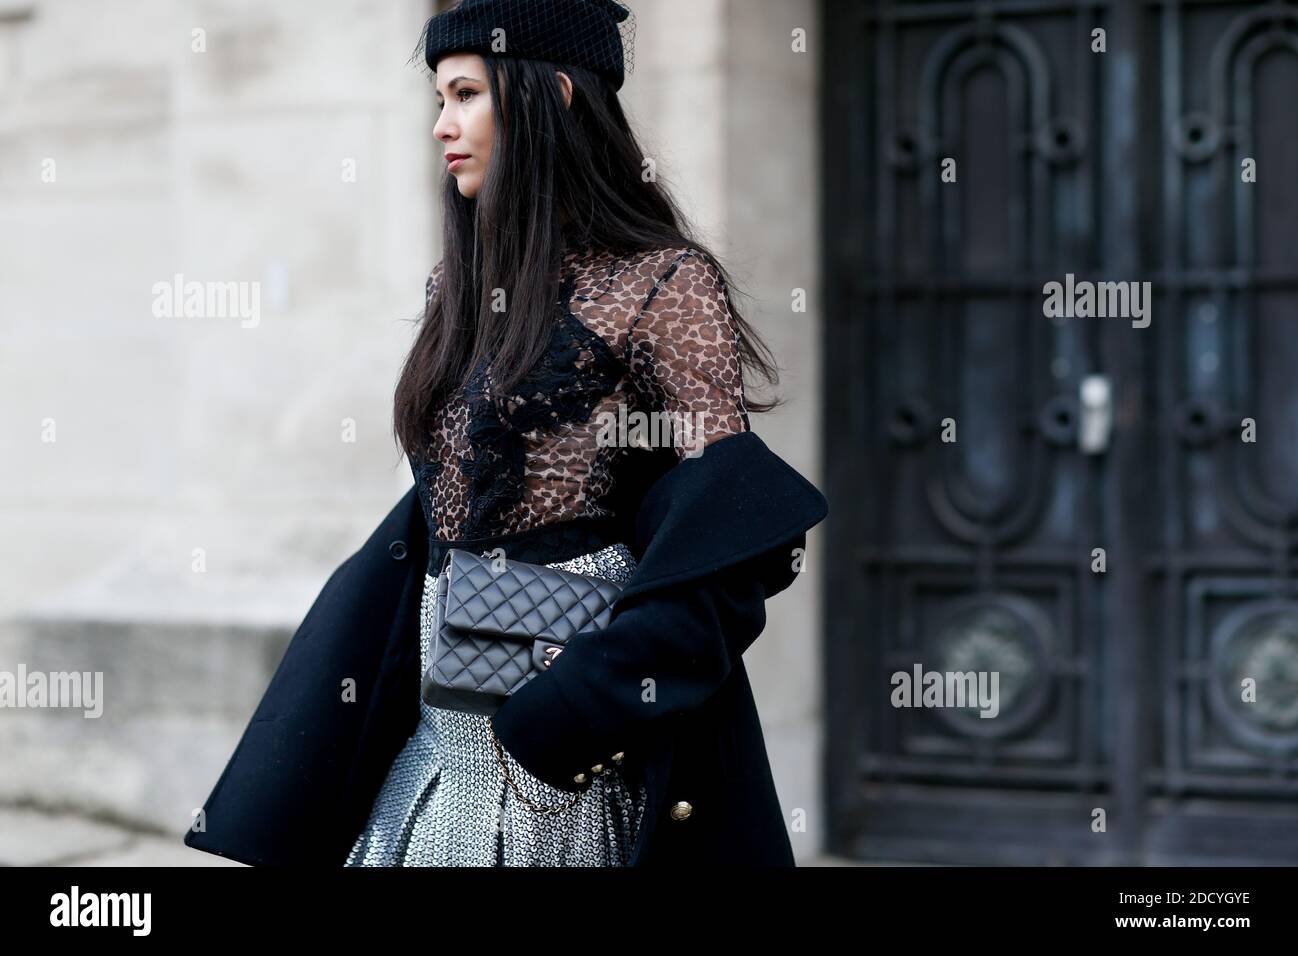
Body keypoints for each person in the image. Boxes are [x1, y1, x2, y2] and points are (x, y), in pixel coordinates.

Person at [183, 0, 828, 868]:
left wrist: (574, 713)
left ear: (552, 95)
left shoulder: (661, 285)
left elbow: (731, 539)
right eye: (437, 100)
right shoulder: (461, 283)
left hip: (567, 772)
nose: (442, 127)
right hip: (436, 750)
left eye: (464, 96)